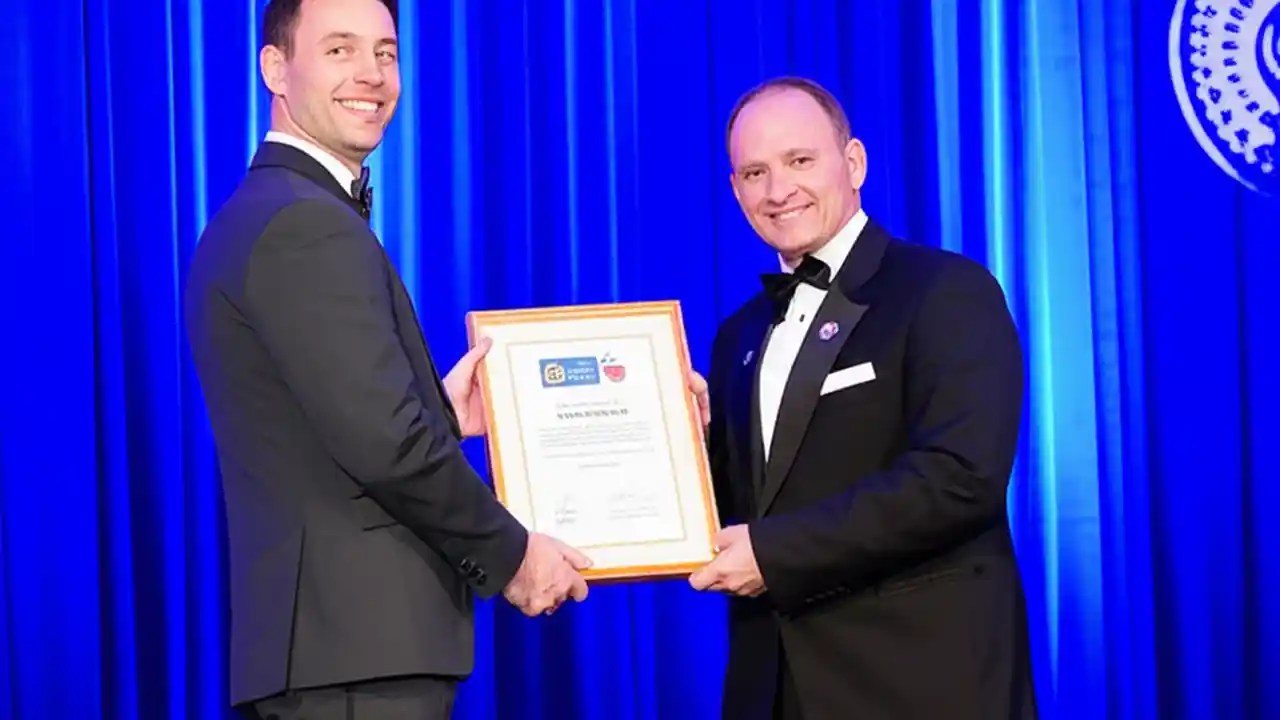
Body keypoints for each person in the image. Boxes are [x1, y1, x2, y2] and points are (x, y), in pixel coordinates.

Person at [183, 0, 591, 717]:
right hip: (354, 660)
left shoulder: (278, 212)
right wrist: (517, 557)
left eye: (386, 53)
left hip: (334, 656)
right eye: (339, 50)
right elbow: (387, 446)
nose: (372, 74)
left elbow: (339, 426)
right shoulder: (303, 224)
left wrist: (436, 412)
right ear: (274, 68)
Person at [687, 76, 1036, 719]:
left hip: (917, 687)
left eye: (799, 161)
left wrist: (775, 553)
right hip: (773, 689)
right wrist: (683, 449)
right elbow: (742, 507)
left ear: (854, 163)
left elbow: (959, 479)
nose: (777, 189)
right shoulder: (739, 335)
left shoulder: (945, 291)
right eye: (754, 172)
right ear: (735, 191)